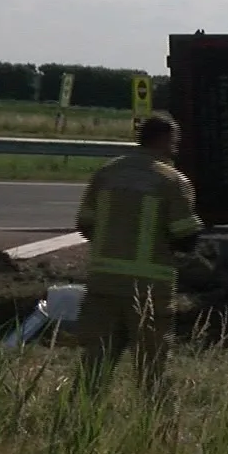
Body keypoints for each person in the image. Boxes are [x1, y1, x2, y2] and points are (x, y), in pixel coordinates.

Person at [73, 112, 204, 394]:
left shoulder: (107, 172)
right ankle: (149, 423)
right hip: (149, 290)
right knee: (152, 364)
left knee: (95, 359)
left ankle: (79, 418)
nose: (177, 147)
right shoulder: (171, 180)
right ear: (164, 139)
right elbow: (186, 237)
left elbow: (85, 224)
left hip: (103, 283)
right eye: (175, 141)